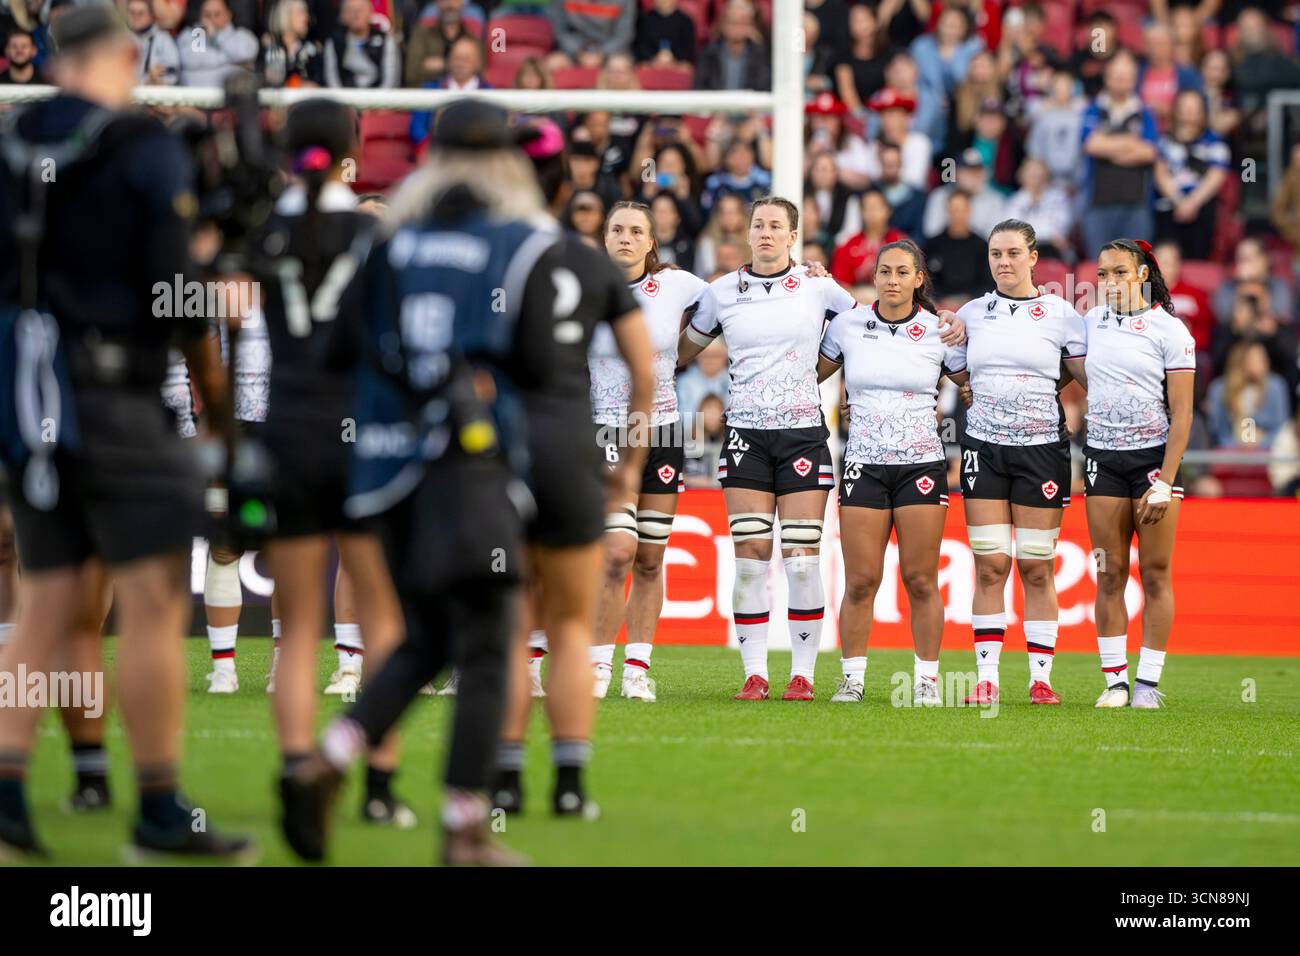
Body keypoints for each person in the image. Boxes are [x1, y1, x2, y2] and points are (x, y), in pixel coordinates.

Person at [279, 100, 571, 866]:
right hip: (467, 462)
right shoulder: (523, 241)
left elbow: (341, 346)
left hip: (381, 470)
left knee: (429, 638)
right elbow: (542, 367)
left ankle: (329, 758)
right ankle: (464, 827)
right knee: (489, 643)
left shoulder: (390, 240)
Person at [0, 5, 248, 858]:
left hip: (31, 398)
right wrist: (216, 409)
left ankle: (6, 790)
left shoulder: (11, 139)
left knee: (43, 604)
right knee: (148, 603)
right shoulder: (141, 145)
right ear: (123, 55)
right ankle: (155, 807)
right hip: (118, 398)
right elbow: (180, 298)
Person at [677, 196, 963, 701]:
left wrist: (954, 327)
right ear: (747, 234)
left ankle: (805, 675)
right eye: (757, 225)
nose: (764, 232)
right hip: (744, 436)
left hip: (805, 434)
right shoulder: (721, 293)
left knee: (803, 559)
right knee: (750, 558)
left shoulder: (819, 288)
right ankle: (755, 672)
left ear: (793, 235)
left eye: (775, 226)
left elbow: (875, 328)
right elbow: (679, 352)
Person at [243, 97, 412, 824]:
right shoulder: (371, 234)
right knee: (381, 617)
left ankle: (293, 771)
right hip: (361, 435)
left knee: (298, 622)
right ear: (354, 149)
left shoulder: (265, 231)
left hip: (284, 429)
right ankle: (376, 787)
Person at [490, 118, 652, 818]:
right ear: (562, 188)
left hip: (503, 444)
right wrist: (627, 469)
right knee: (569, 625)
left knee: (507, 618)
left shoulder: (488, 255)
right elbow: (644, 371)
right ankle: (569, 783)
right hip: (572, 444)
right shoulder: (586, 264)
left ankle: (499, 779)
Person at [816, 241, 967, 704]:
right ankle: (852, 680)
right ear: (875, 276)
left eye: (903, 272)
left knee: (920, 579)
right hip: (863, 463)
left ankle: (925, 681)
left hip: (921, 464)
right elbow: (807, 374)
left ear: (919, 279)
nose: (892, 279)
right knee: (861, 580)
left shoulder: (938, 330)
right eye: (884, 271)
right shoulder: (847, 325)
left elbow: (974, 384)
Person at [948, 219, 1087, 706]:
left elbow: (1081, 374)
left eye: (1012, 253)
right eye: (995, 254)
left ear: (1032, 258)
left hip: (1042, 452)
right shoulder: (972, 312)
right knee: (989, 567)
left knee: (1036, 566)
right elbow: (955, 368)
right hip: (984, 450)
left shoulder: (1062, 314)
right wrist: (971, 388)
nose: (1003, 263)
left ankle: (1040, 678)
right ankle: (986, 679)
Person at [589, 201, 711, 701]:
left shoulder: (679, 285)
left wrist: (686, 353)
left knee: (650, 559)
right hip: (605, 434)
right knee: (616, 554)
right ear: (604, 237)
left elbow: (732, 301)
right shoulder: (583, 288)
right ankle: (598, 667)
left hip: (662, 433)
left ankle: (636, 668)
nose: (625, 238)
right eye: (616, 229)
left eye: (635, 231)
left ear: (651, 241)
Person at [1085, 239, 1196, 709]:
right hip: (1103, 458)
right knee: (1108, 574)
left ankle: (1148, 684)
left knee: (1155, 573)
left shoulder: (1170, 331)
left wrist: (1166, 481)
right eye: (1103, 274)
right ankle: (1115, 683)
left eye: (1119, 273)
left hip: (1153, 462)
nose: (1109, 283)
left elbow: (1184, 412)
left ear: (1142, 275)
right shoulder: (1090, 323)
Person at [1080, 51, 1160, 254]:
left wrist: (1108, 149)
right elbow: (1091, 145)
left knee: (1133, 272)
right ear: (1107, 77)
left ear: (1135, 79)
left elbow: (1149, 153)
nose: (1121, 80)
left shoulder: (1145, 113)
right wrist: (1131, 142)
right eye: (1117, 75)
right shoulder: (1094, 109)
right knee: (1100, 270)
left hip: (1137, 205)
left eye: (1126, 75)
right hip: (1098, 204)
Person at [1153, 89, 1229, 260]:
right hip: (1167, 208)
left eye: (1194, 107)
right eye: (1185, 106)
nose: (1189, 111)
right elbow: (1160, 173)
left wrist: (1192, 203)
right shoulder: (1163, 140)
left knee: (1197, 260)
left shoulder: (1214, 141)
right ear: (1176, 109)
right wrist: (1179, 201)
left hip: (1202, 209)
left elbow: (1216, 175)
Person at [178, 0, 258, 87]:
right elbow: (191, 61)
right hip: (193, 96)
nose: (212, 19)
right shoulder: (190, 34)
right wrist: (232, 62)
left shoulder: (242, 36)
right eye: (207, 14)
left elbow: (245, 54)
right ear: (200, 15)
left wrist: (216, 36)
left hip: (231, 97)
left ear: (228, 15)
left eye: (217, 14)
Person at [693, 0, 769, 91]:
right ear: (723, 25)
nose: (736, 28)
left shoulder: (760, 55)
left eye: (742, 22)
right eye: (732, 22)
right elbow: (700, 88)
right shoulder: (709, 54)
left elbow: (764, 88)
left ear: (750, 26)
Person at [322, 0, 399, 89]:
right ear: (343, 15)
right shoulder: (334, 42)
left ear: (370, 13)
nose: (356, 14)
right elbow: (332, 81)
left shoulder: (386, 40)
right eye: (351, 10)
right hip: (344, 99)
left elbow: (390, 82)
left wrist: (378, 101)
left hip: (379, 99)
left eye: (361, 9)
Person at [259, 0, 323, 87]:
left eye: (306, 13)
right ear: (286, 15)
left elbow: (318, 81)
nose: (306, 18)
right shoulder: (270, 48)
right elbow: (265, 82)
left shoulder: (311, 49)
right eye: (301, 12)